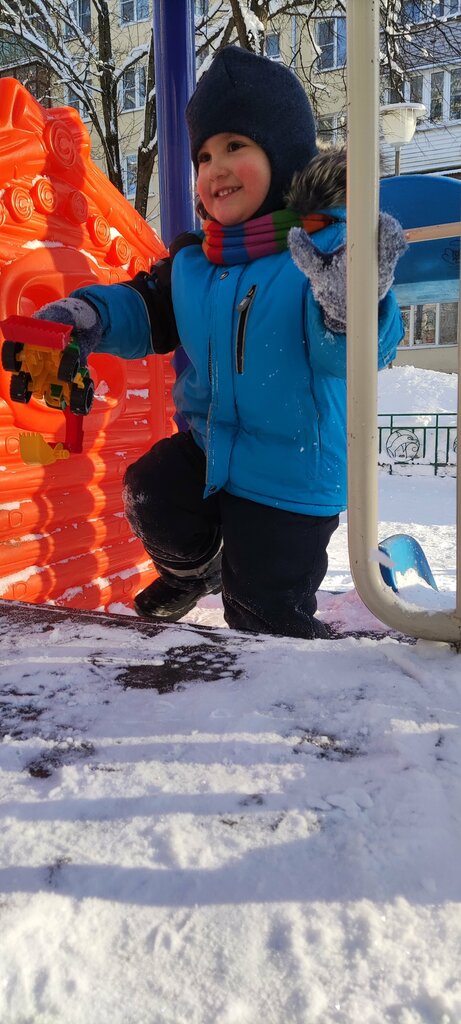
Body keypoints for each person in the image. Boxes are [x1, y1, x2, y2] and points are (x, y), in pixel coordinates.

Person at [34, 46, 406, 639]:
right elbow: (147, 307)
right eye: (204, 154)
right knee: (152, 490)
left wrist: (346, 307)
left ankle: (293, 699)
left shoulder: (321, 256)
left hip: (292, 473)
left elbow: (354, 357)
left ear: (282, 159)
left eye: (236, 146)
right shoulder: (195, 263)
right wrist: (87, 315)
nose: (215, 168)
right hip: (211, 450)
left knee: (262, 615)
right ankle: (193, 571)